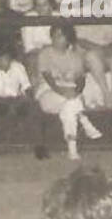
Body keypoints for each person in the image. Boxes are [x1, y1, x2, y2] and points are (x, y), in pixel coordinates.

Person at [36, 24, 103, 160]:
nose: (56, 38)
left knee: (69, 110)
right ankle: (83, 120)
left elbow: (81, 80)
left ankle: (72, 151)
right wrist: (63, 92)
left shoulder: (75, 56)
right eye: (54, 35)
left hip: (70, 93)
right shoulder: (45, 53)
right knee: (73, 102)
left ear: (68, 39)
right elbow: (48, 78)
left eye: (60, 35)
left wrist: (75, 92)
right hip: (48, 93)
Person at [0, 41, 46, 160]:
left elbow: (27, 88)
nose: (2, 62)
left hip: (17, 100)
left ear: (11, 59)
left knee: (34, 107)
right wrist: (2, 101)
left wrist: (25, 100)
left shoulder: (18, 67)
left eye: (5, 59)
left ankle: (40, 146)